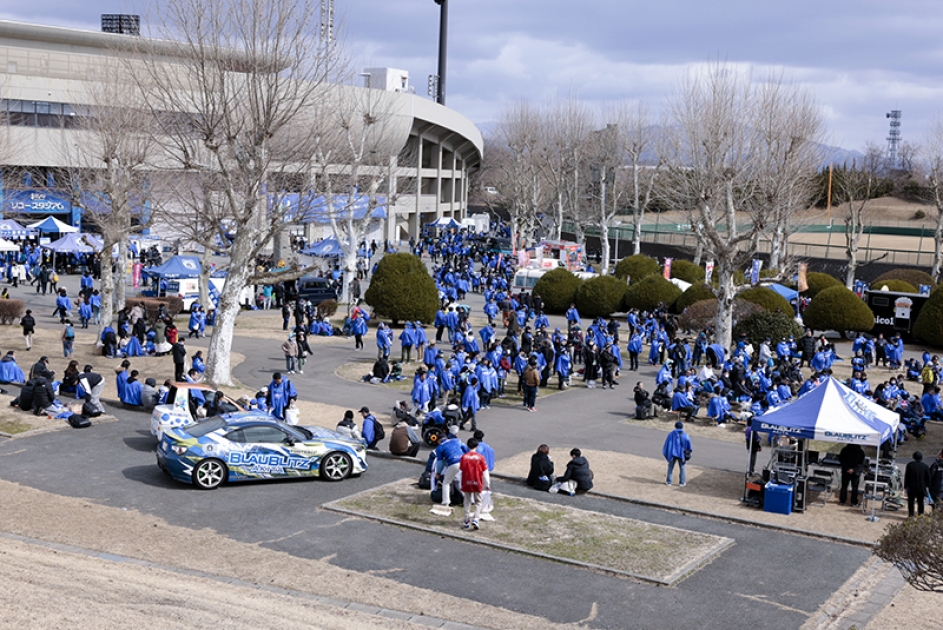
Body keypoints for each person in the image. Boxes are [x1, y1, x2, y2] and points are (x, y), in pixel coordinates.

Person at [460, 437, 491, 530]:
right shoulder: (480, 458)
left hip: (466, 481)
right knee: (478, 501)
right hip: (477, 481)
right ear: (477, 446)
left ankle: (466, 520)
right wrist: (487, 483)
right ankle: (476, 518)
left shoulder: (464, 457)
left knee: (467, 501)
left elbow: (461, 469)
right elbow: (485, 471)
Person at [435, 425, 466, 507]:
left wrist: (438, 473)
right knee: (460, 481)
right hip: (463, 461)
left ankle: (446, 502)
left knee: (446, 482)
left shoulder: (439, 447)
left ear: (439, 441)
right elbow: (465, 449)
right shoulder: (456, 441)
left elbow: (440, 462)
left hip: (453, 463)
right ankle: (469, 499)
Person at [663, 421, 692, 487]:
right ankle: (682, 482)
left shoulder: (671, 434)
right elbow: (689, 444)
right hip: (681, 454)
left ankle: (669, 482)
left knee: (670, 467)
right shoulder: (685, 435)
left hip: (672, 453)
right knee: (682, 468)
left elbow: (667, 444)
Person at [904, 450, 931, 517]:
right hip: (921, 487)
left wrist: (906, 486)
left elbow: (907, 476)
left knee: (911, 502)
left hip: (911, 487)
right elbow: (928, 477)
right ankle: (920, 515)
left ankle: (911, 515)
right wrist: (927, 485)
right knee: (920, 502)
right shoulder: (925, 466)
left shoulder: (910, 465)